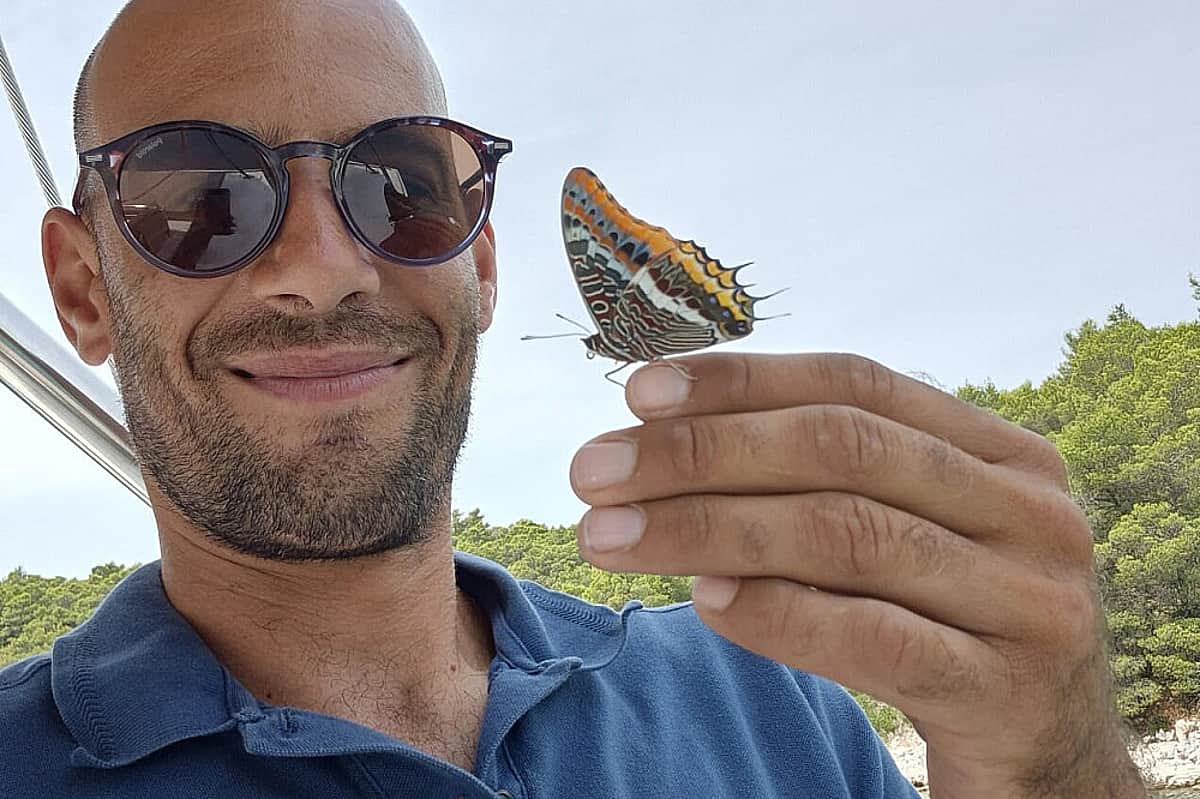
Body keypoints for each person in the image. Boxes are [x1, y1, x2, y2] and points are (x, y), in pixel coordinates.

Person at [0, 1, 1148, 796]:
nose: (325, 267)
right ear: (81, 289)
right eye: (201, 195)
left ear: (481, 264)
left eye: (399, 186)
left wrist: (1053, 763)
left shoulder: (772, 699)